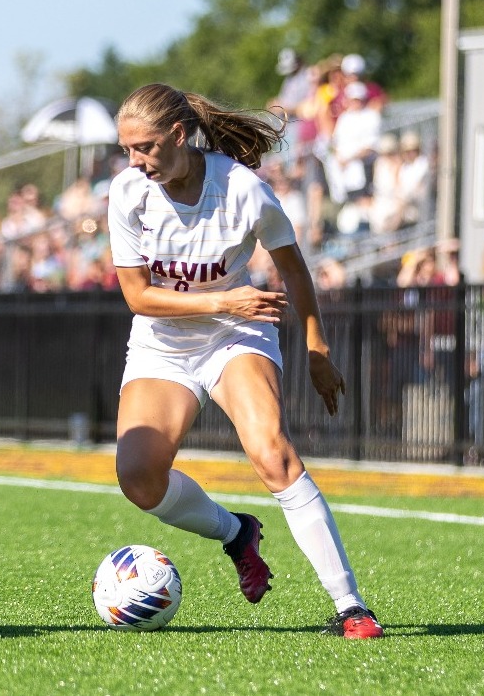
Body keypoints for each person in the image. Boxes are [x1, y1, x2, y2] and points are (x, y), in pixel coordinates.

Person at [107, 83, 383, 638]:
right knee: (137, 477)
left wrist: (316, 348)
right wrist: (222, 298)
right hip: (164, 343)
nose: (135, 161)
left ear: (179, 135)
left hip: (236, 333)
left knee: (272, 454)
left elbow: (295, 270)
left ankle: (352, 608)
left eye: (145, 147)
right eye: (127, 150)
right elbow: (138, 297)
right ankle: (236, 534)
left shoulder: (243, 190)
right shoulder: (127, 192)